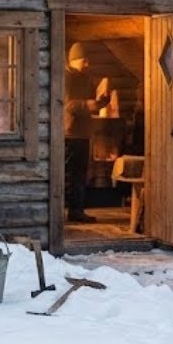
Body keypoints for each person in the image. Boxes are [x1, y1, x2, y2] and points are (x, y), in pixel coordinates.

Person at [64, 42, 111, 222]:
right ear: (74, 60)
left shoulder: (85, 78)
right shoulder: (66, 78)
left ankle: (76, 211)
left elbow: (90, 102)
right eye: (84, 61)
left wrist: (101, 103)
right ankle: (65, 212)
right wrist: (89, 104)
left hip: (83, 133)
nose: (87, 64)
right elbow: (67, 104)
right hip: (69, 133)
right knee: (69, 174)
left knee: (80, 174)